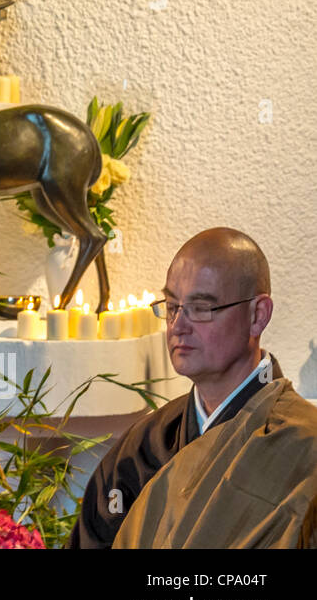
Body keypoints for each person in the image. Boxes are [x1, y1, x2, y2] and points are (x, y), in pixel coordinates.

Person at [70, 227, 317, 548]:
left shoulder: (305, 447)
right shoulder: (143, 446)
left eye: (201, 308)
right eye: (172, 306)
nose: (178, 325)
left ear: (258, 315)